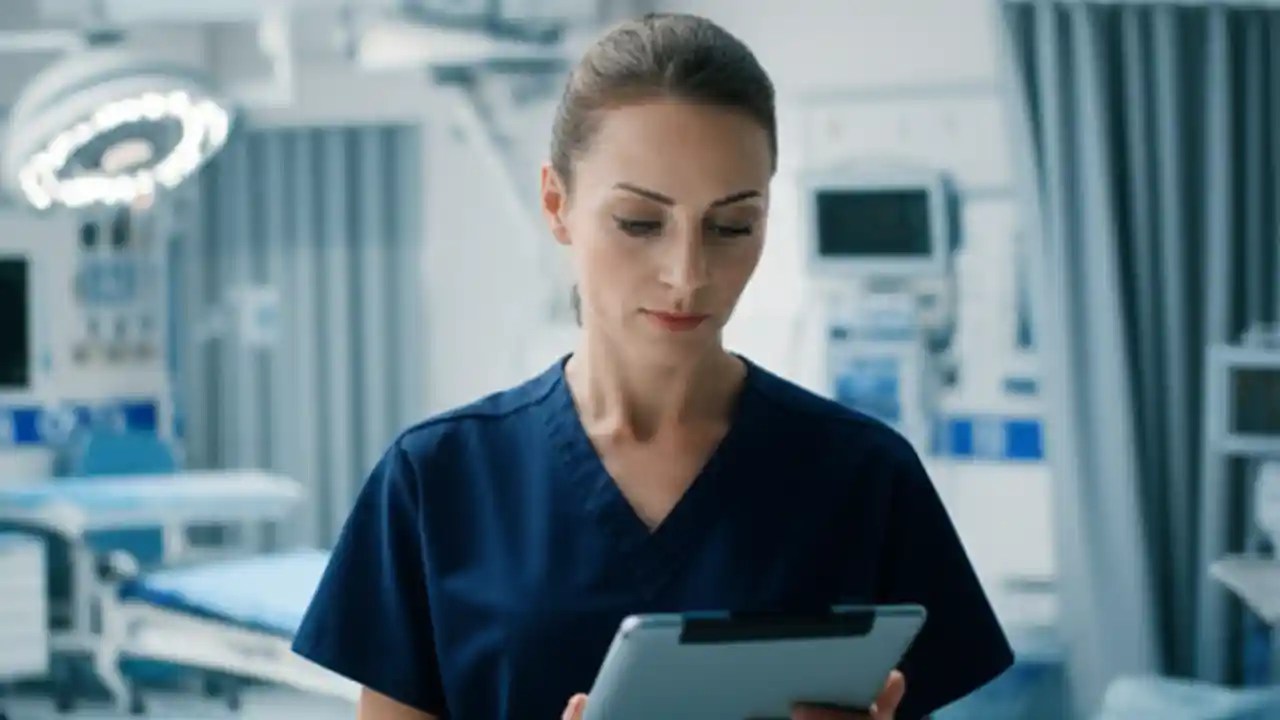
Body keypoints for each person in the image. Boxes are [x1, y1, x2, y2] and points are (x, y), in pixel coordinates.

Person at [291, 11, 1014, 720]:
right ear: (557, 204)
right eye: (640, 222)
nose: (687, 273)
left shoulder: (865, 479)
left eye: (732, 225)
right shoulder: (438, 480)